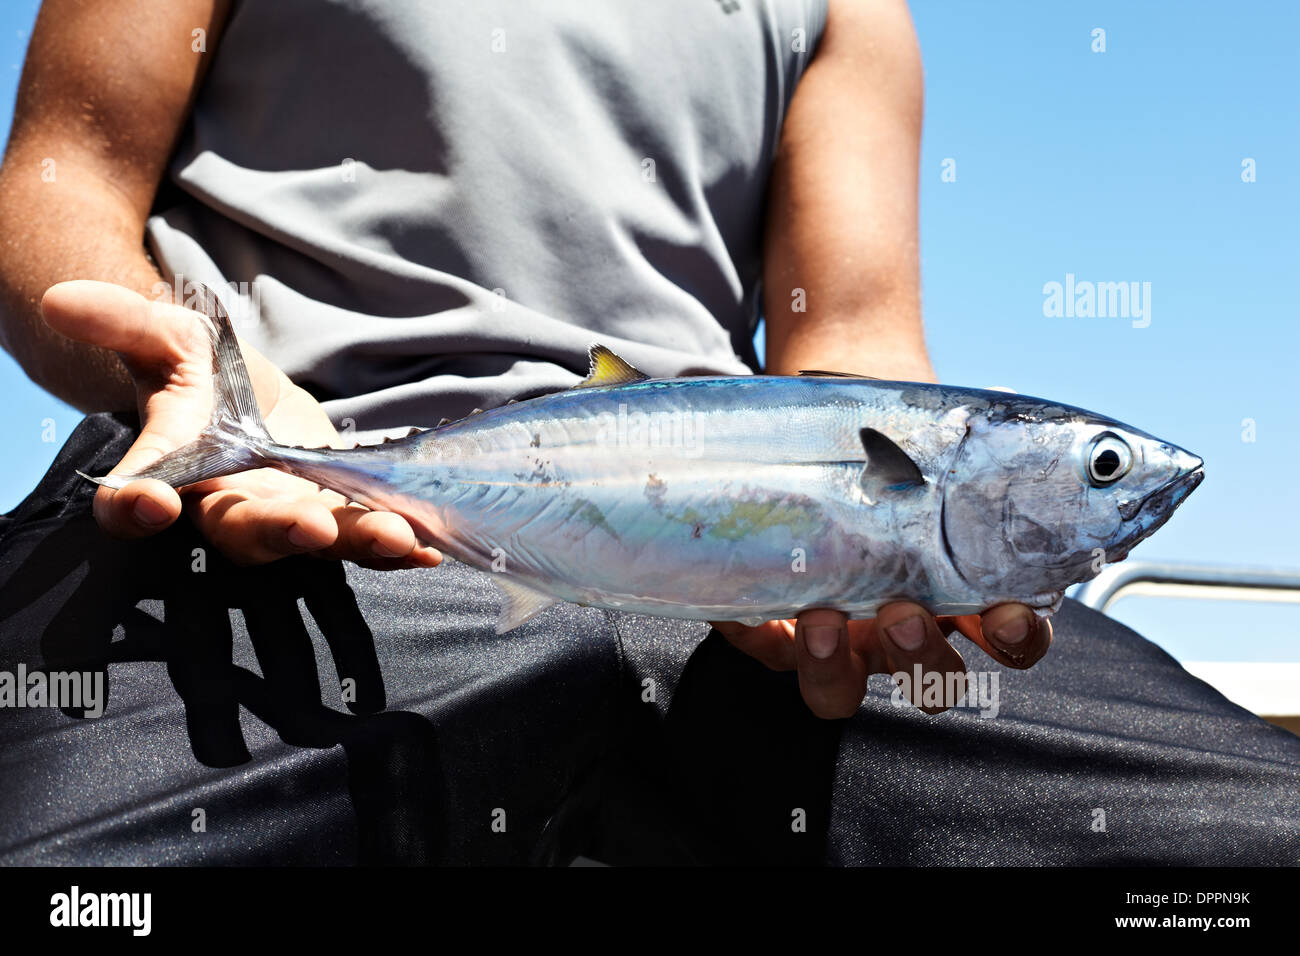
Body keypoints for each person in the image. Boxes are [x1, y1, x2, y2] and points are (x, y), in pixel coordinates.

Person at [0, 0, 1295, 866]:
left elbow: (852, 346)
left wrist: (859, 562)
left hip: (742, 595)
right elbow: (60, 185)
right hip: (284, 501)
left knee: (1250, 842)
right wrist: (185, 369)